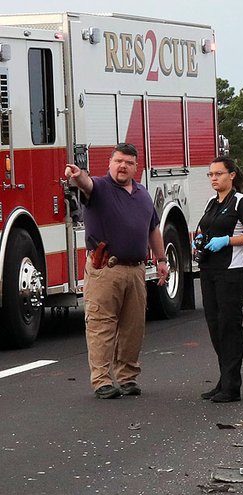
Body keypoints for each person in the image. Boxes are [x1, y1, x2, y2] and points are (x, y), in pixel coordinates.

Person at [65, 143, 169, 399]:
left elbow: (153, 229)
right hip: (105, 269)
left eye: (129, 162)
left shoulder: (143, 194)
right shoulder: (99, 188)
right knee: (102, 326)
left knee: (133, 327)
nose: (123, 166)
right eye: (118, 161)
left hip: (135, 271)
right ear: (109, 164)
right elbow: (86, 185)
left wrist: (162, 260)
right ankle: (101, 381)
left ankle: (127, 377)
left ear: (136, 167)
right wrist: (78, 176)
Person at [196, 156, 243, 403]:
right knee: (214, 326)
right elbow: (204, 229)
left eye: (219, 174)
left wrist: (228, 241)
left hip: (231, 271)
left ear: (231, 175)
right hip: (209, 269)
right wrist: (199, 240)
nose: (214, 178)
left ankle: (232, 385)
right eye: (211, 174)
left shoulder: (241, 203)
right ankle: (224, 379)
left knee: (229, 326)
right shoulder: (212, 203)